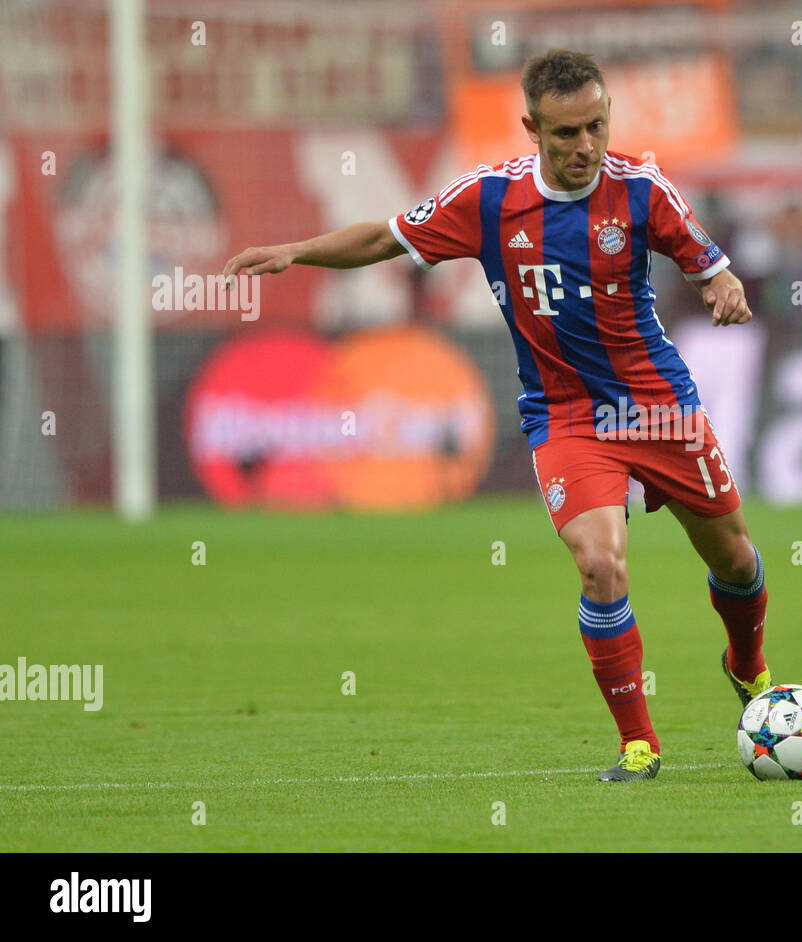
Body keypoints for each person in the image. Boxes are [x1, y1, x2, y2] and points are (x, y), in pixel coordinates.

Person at [222, 49, 770, 782]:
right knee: (601, 566)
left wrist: (724, 287)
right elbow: (387, 237)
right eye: (566, 133)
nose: (584, 147)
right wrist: (297, 251)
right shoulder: (487, 200)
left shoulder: (642, 188)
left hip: (659, 408)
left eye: (596, 128)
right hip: (567, 415)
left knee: (735, 558)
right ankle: (639, 744)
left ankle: (749, 668)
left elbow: (709, 263)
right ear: (531, 128)